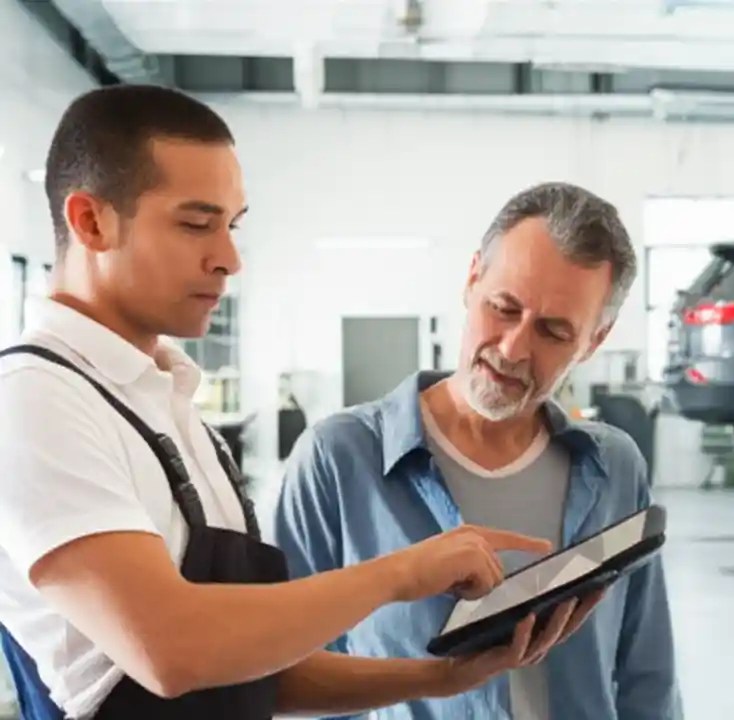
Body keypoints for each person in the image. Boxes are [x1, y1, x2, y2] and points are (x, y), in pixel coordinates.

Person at [0, 86, 591, 720]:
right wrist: (400, 574)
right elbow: (171, 648)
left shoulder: (165, 403)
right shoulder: (33, 401)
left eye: (232, 226)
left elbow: (250, 669)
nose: (228, 259)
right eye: (196, 224)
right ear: (91, 221)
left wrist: (440, 677)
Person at [273, 181, 682, 720]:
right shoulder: (337, 459)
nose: (513, 348)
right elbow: (279, 669)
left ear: (595, 340)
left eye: (554, 331)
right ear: (472, 279)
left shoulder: (614, 467)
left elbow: (646, 674)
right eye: (503, 307)